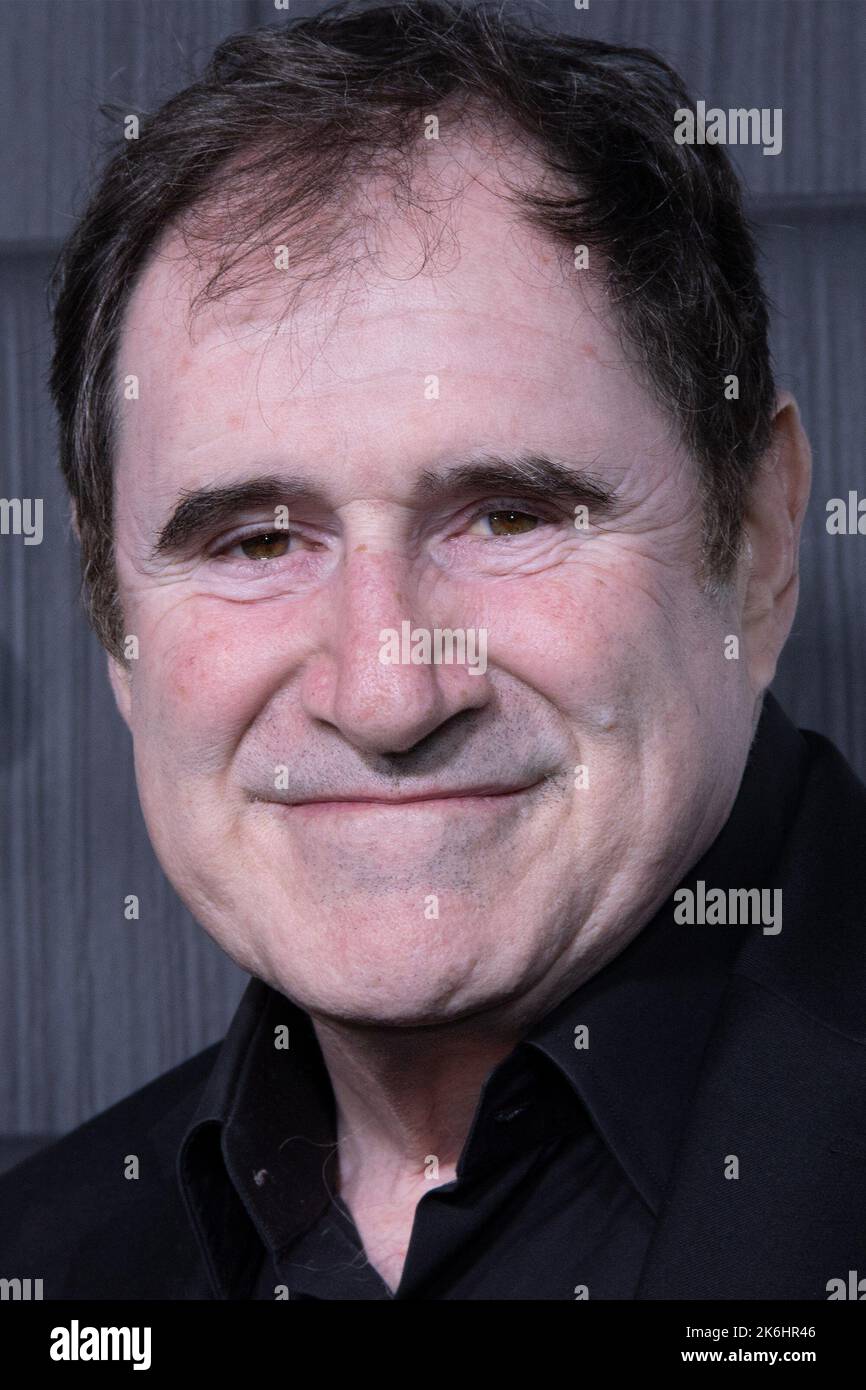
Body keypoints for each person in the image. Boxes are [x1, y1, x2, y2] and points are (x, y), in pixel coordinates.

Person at [2, 0, 864, 1301]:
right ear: (111, 616)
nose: (388, 692)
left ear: (752, 543)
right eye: (252, 543)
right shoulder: (45, 1258)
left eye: (508, 516)